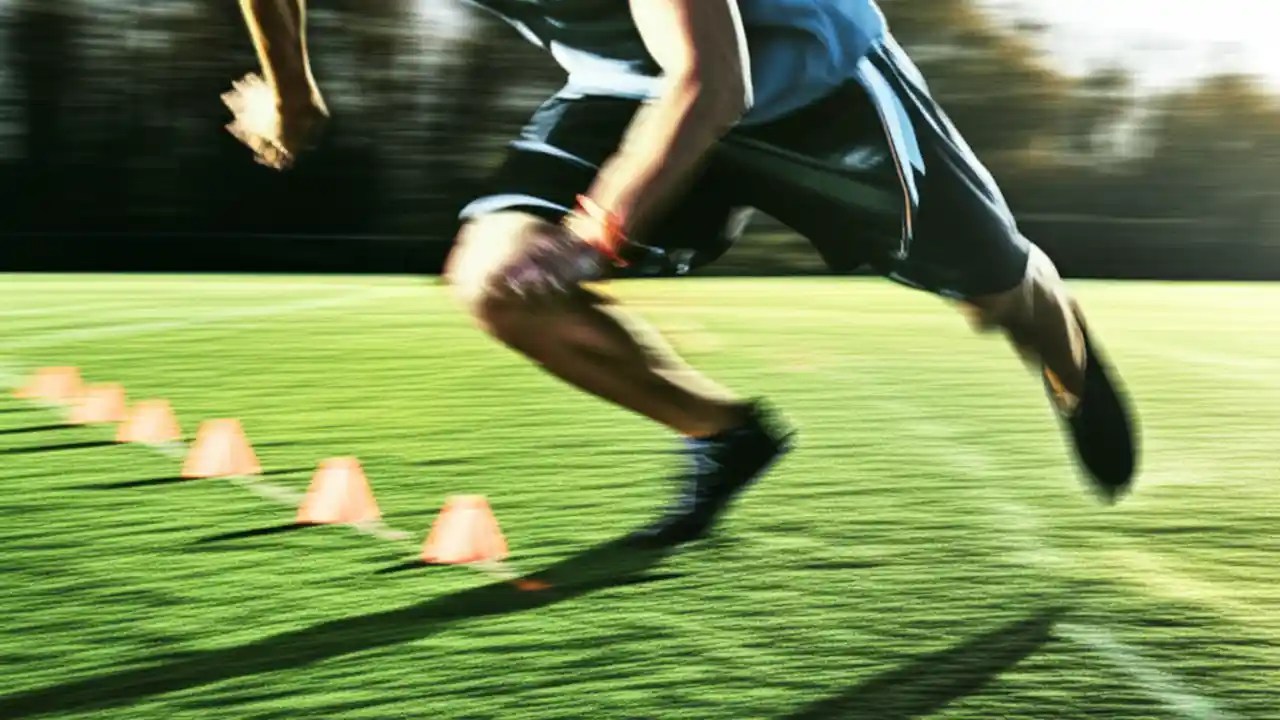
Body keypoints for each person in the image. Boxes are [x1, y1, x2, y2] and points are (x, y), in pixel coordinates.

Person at [225, 0, 1138, 547]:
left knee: (997, 295)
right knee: (498, 282)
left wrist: (594, 233)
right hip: (624, 85)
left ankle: (1066, 350)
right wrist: (293, 95)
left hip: (809, 80)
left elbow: (713, 80)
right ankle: (722, 434)